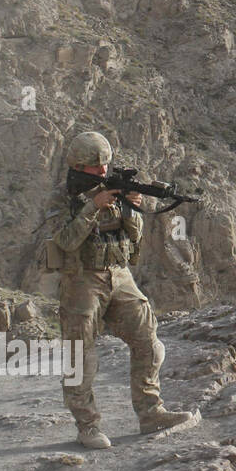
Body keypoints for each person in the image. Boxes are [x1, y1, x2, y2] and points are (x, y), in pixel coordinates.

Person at [50, 131, 194, 450]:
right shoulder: (65, 198)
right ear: (77, 167)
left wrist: (130, 207)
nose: (102, 171)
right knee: (80, 356)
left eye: (105, 164)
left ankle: (151, 412)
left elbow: (133, 239)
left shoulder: (112, 189)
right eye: (94, 167)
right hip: (81, 279)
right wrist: (92, 207)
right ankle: (87, 426)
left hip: (118, 273)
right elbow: (64, 240)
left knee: (149, 341)